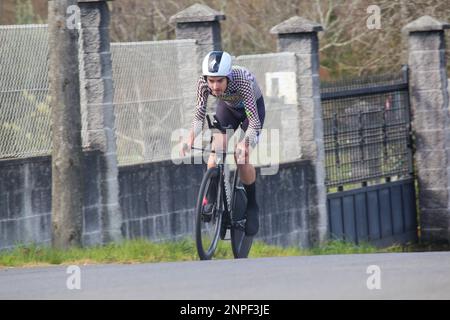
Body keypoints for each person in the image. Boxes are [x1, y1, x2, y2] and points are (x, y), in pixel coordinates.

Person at [181, 51, 265, 237]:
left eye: (219, 81)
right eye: (211, 81)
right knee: (214, 153)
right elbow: (199, 116)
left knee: (240, 155)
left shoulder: (241, 81)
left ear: (228, 77)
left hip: (251, 114)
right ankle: (210, 199)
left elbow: (254, 123)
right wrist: (189, 140)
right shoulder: (203, 84)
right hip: (228, 109)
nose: (215, 86)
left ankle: (252, 205)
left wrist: (244, 144)